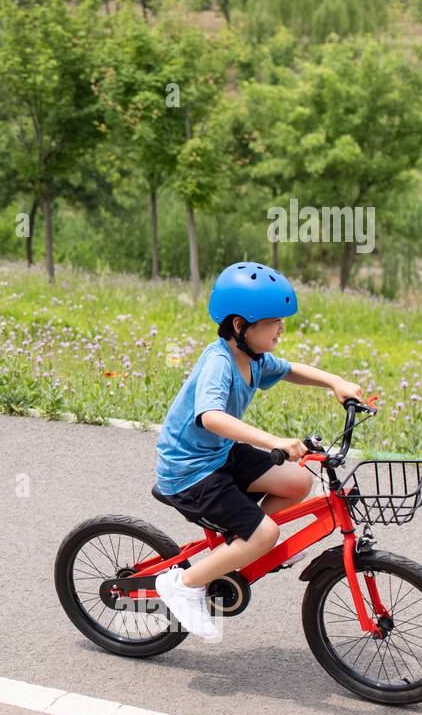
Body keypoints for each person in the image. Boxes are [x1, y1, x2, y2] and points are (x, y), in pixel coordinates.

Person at [152, 262, 364, 639]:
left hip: (219, 455)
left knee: (298, 482)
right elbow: (211, 416)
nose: (281, 328)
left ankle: (242, 544)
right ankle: (183, 585)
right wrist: (273, 441)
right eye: (272, 321)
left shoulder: (254, 358)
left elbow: (291, 370)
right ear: (239, 326)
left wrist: (336, 382)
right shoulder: (220, 362)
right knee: (265, 534)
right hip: (190, 472)